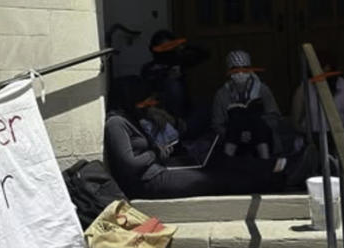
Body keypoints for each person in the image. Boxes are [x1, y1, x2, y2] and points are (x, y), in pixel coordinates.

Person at [103, 76, 301, 199]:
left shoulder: (132, 119)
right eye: (142, 102)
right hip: (149, 181)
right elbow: (128, 163)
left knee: (221, 161)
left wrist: (160, 149)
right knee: (216, 179)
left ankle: (280, 166)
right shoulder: (116, 124)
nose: (147, 105)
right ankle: (279, 179)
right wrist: (155, 152)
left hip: (160, 167)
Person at [291, 52, 344, 168]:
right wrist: (310, 134)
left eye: (325, 67)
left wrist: (343, 133)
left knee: (340, 151)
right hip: (313, 138)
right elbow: (295, 123)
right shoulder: (303, 89)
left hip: (342, 137)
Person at [211, 50, 282, 159]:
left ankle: (265, 162)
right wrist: (239, 135)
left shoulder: (262, 89)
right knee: (236, 117)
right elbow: (217, 125)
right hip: (234, 140)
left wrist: (254, 129)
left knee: (254, 117)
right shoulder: (222, 94)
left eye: (244, 69)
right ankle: (227, 163)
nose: (240, 73)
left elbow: (275, 118)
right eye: (235, 69)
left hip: (262, 137)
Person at [140, 30, 210, 137]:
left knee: (206, 109)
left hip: (184, 115)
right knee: (173, 85)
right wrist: (166, 76)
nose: (166, 51)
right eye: (163, 47)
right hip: (163, 116)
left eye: (169, 47)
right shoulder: (149, 69)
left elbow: (205, 53)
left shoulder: (178, 61)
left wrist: (182, 46)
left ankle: (183, 129)